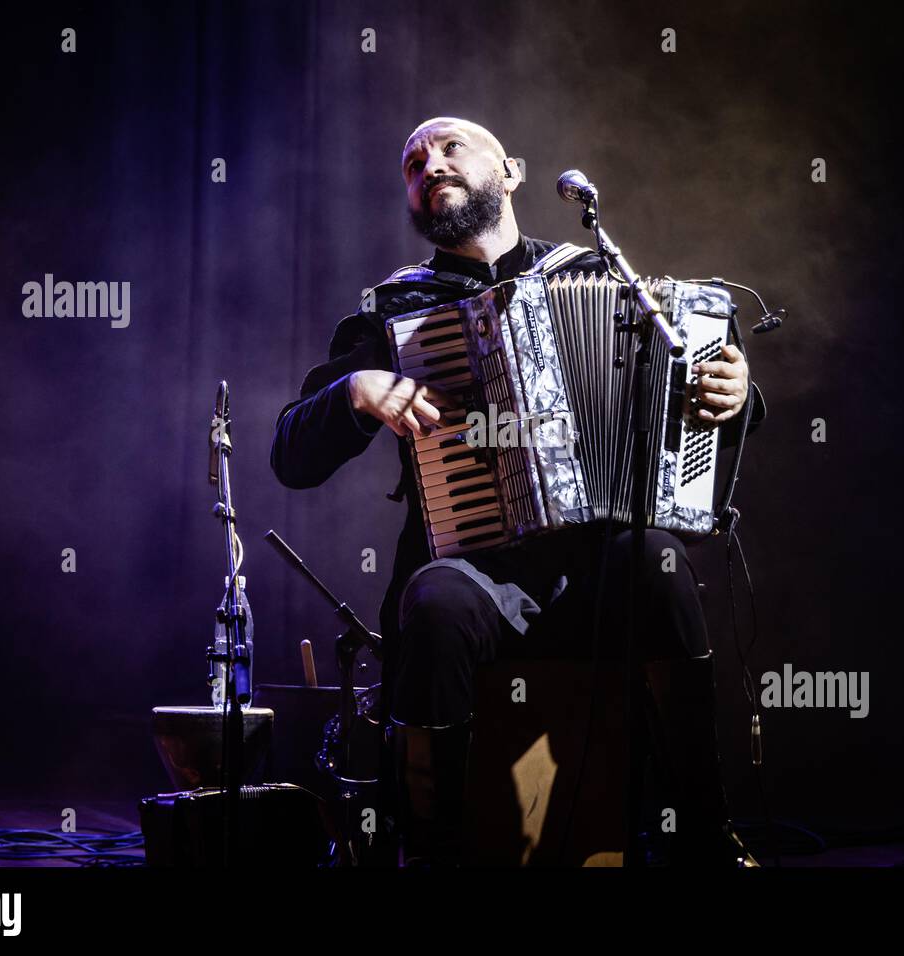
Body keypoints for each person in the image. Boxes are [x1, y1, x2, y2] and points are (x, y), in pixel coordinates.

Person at [271, 117, 765, 865]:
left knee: (657, 561)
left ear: (509, 172)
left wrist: (737, 394)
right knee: (433, 600)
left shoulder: (596, 277)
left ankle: (702, 832)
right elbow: (289, 455)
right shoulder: (394, 312)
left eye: (447, 149)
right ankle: (431, 853)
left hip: (591, 573)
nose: (428, 166)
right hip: (473, 582)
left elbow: (689, 390)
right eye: (412, 163)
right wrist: (354, 389)